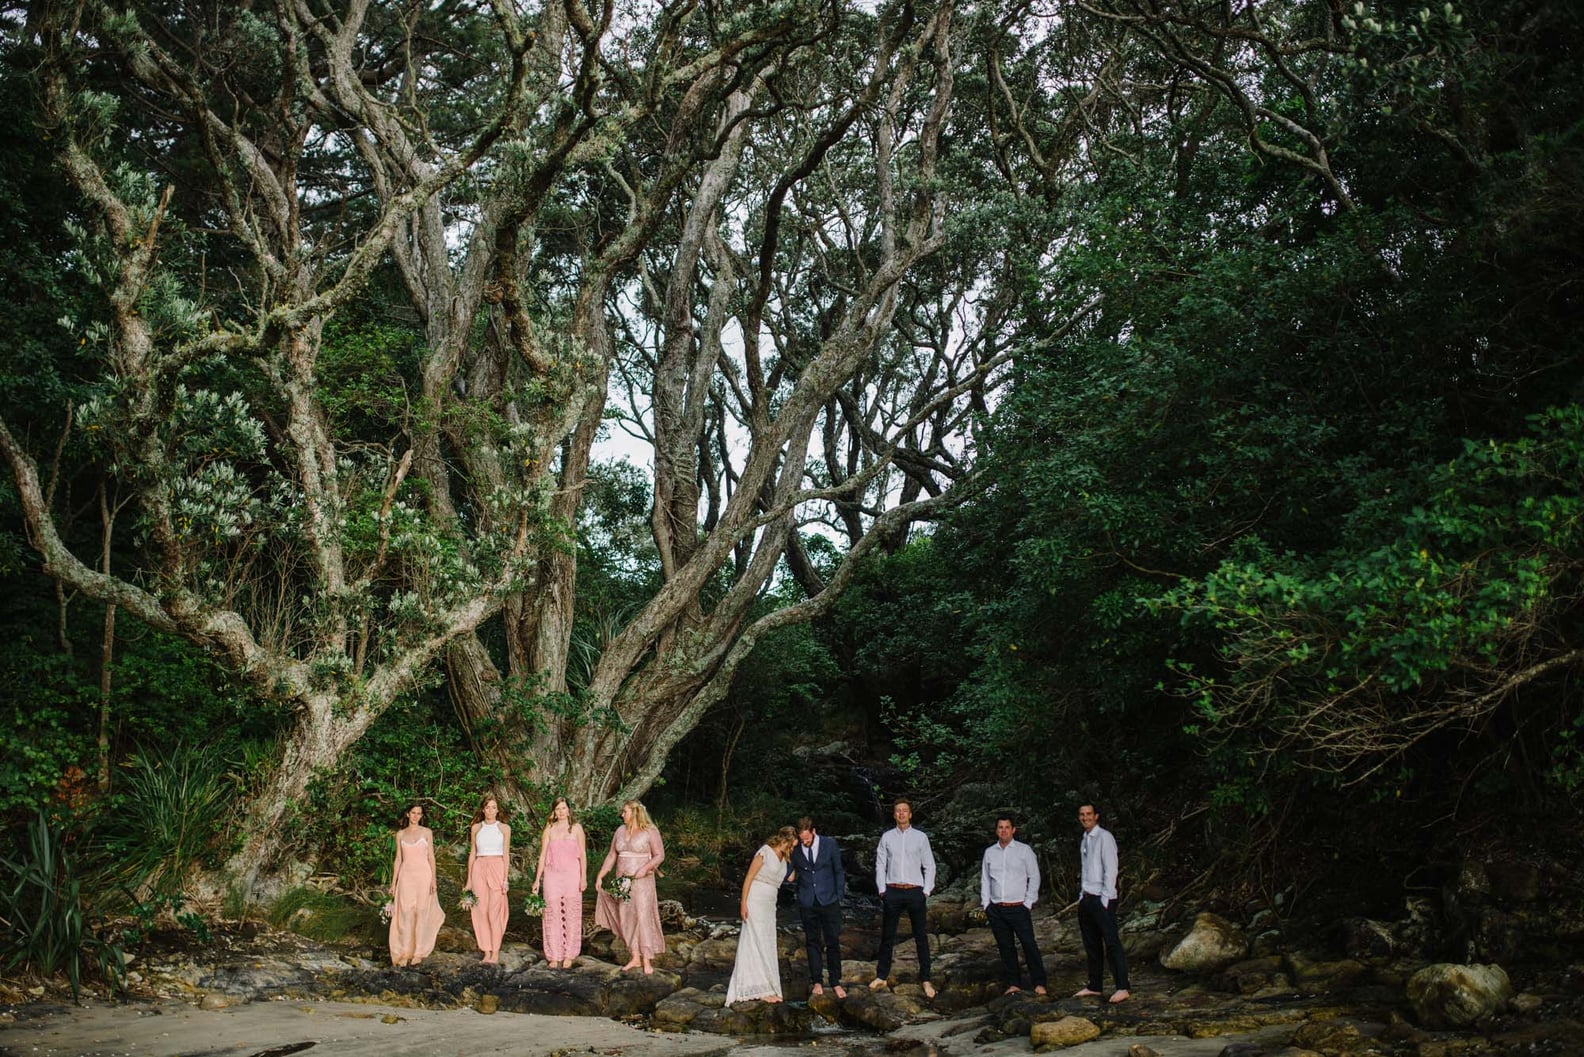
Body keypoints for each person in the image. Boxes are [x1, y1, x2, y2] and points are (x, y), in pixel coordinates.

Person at [871, 798, 937, 1000]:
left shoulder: (920, 837)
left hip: (915, 891)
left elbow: (930, 865)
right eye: (898, 810)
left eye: (904, 811)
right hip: (893, 891)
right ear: (894, 814)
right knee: (887, 936)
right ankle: (882, 975)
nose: (901, 814)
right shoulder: (887, 837)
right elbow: (880, 865)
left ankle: (926, 978)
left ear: (910, 814)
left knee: (921, 937)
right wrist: (882, 890)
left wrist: (926, 891)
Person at [725, 826, 797, 1005]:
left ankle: (768, 985)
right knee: (755, 940)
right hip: (755, 899)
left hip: (769, 903)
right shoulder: (764, 852)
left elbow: (790, 878)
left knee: (766, 940)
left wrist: (794, 860)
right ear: (784, 841)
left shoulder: (785, 858)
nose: (793, 849)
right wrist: (743, 903)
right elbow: (749, 877)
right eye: (792, 845)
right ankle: (757, 987)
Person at [594, 799, 666, 973]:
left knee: (642, 916)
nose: (622, 814)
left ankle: (647, 960)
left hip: (642, 881)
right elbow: (612, 855)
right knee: (626, 916)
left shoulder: (650, 830)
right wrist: (601, 874)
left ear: (634, 812)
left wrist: (645, 868)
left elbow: (659, 855)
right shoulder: (619, 831)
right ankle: (634, 957)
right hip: (622, 880)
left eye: (625, 811)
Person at [980, 814, 1047, 995]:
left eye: (1007, 827)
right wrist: (986, 904)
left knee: (1028, 944)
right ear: (996, 830)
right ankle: (1014, 983)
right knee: (1005, 946)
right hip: (996, 908)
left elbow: (1034, 876)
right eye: (1000, 827)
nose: (1003, 831)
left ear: (1013, 830)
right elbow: (985, 879)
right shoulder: (989, 852)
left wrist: (1028, 903)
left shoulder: (1024, 851)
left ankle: (1039, 983)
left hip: (1018, 907)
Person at [1073, 802, 1130, 1003]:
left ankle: (1122, 986)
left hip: (1102, 898)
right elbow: (1086, 868)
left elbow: (1111, 868)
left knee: (1111, 942)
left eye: (1089, 814)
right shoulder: (1085, 838)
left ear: (1096, 816)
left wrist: (1105, 897)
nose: (1085, 817)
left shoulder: (1105, 837)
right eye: (1082, 814)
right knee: (1091, 944)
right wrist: (1082, 895)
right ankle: (1095, 985)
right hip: (1087, 897)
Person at [790, 815, 847, 999]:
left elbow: (838, 870)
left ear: (814, 832)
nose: (805, 842)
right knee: (812, 942)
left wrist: (839, 895)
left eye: (807, 838)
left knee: (832, 941)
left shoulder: (829, 844)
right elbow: (790, 871)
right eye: (802, 839)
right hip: (807, 902)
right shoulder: (796, 849)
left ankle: (836, 981)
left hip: (829, 900)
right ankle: (817, 981)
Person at [532, 796, 587, 968]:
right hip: (552, 875)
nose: (561, 812)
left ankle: (569, 954)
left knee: (571, 912)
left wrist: (584, 877)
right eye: (558, 809)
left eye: (564, 808)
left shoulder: (576, 828)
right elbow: (542, 855)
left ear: (569, 810)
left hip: (572, 875)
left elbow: (583, 855)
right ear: (554, 812)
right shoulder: (549, 828)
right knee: (551, 912)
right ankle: (554, 955)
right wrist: (537, 880)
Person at [388, 803, 445, 967]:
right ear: (407, 814)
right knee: (405, 913)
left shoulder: (427, 832)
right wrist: (394, 882)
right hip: (406, 876)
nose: (416, 816)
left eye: (419, 813)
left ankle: (418, 952)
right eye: (413, 813)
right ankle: (405, 952)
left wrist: (434, 879)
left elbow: (431, 857)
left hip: (423, 876)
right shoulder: (400, 834)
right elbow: (398, 859)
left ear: (421, 816)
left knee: (421, 912)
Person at [466, 793, 512, 965]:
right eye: (487, 807)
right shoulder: (476, 828)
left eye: (493, 807)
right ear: (483, 809)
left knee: (495, 912)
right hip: (479, 866)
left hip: (497, 867)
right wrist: (469, 880)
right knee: (480, 910)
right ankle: (486, 950)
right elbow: (472, 853)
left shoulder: (504, 828)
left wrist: (505, 878)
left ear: (497, 810)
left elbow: (506, 854)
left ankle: (496, 950)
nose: (490, 810)